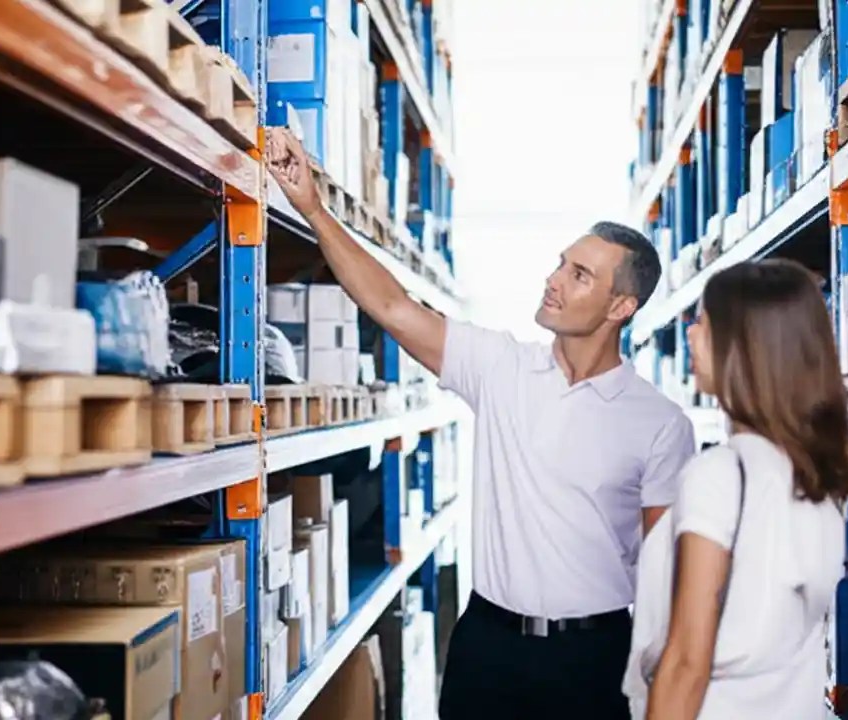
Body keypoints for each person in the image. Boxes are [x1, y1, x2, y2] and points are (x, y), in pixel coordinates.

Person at [265, 127, 695, 718]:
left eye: (580, 276)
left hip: (595, 659)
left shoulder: (660, 424)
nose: (554, 280)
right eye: (561, 264)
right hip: (488, 648)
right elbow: (392, 307)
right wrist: (311, 209)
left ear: (622, 307)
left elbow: (665, 573)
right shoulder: (500, 367)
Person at [623, 259, 848, 719]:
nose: (690, 335)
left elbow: (687, 662)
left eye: (705, 324)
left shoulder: (721, 475)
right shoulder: (815, 474)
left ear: (745, 348)